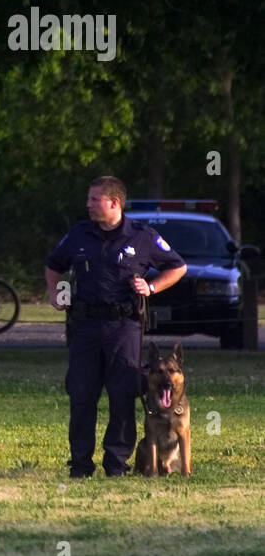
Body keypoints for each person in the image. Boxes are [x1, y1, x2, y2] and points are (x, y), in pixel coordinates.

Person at [45, 176, 186, 478]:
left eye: (94, 199)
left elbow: (177, 266)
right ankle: (80, 464)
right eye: (89, 199)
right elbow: (54, 264)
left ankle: (116, 464)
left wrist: (151, 287)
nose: (88, 204)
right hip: (85, 326)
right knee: (82, 395)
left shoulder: (142, 236)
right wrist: (58, 294)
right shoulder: (79, 234)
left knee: (122, 394)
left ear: (114, 203)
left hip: (124, 327)